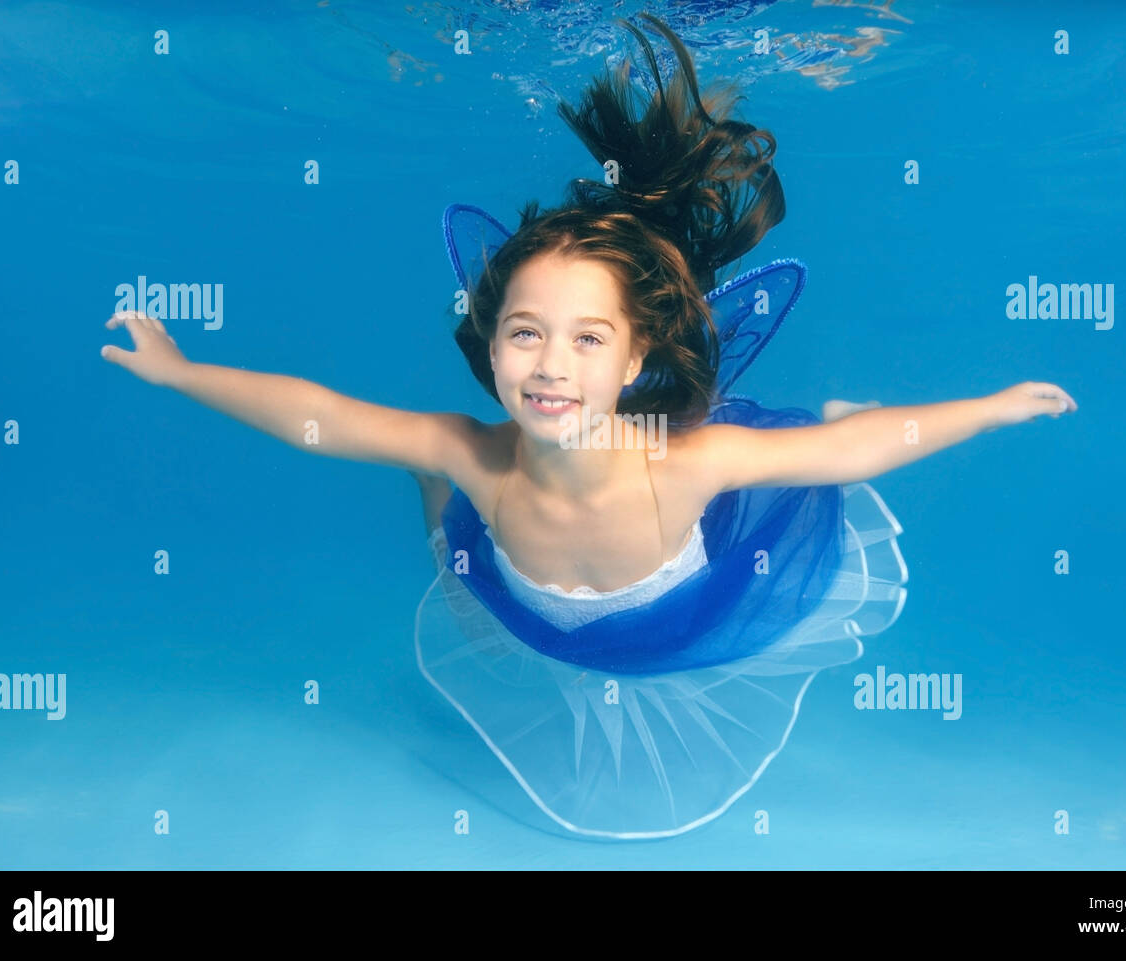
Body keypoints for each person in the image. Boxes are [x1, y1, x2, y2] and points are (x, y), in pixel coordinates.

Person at [102, 12, 1077, 840]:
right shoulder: (476, 452)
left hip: (682, 607)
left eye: (584, 339)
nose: (550, 365)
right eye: (524, 334)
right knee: (430, 474)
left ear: (636, 358)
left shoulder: (687, 462)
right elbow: (321, 417)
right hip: (509, 580)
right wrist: (181, 374)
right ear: (488, 344)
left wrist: (988, 409)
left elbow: (854, 451)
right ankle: (433, 505)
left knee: (810, 459)